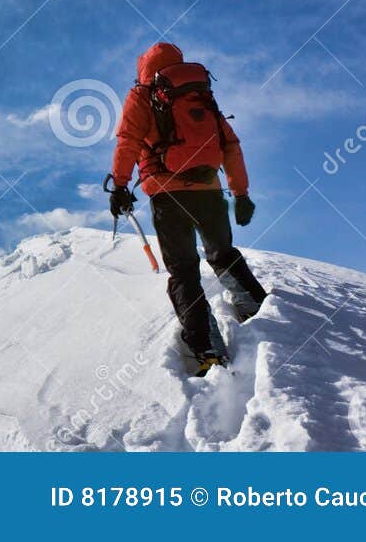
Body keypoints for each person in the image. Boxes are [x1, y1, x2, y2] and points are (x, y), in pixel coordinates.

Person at [105, 42, 268, 375]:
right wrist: (240, 193)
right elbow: (230, 145)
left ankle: (207, 350)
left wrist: (120, 186)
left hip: (168, 194)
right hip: (209, 190)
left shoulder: (143, 95)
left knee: (183, 270)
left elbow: (128, 140)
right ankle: (263, 316)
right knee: (222, 252)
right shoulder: (199, 93)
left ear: (144, 68)